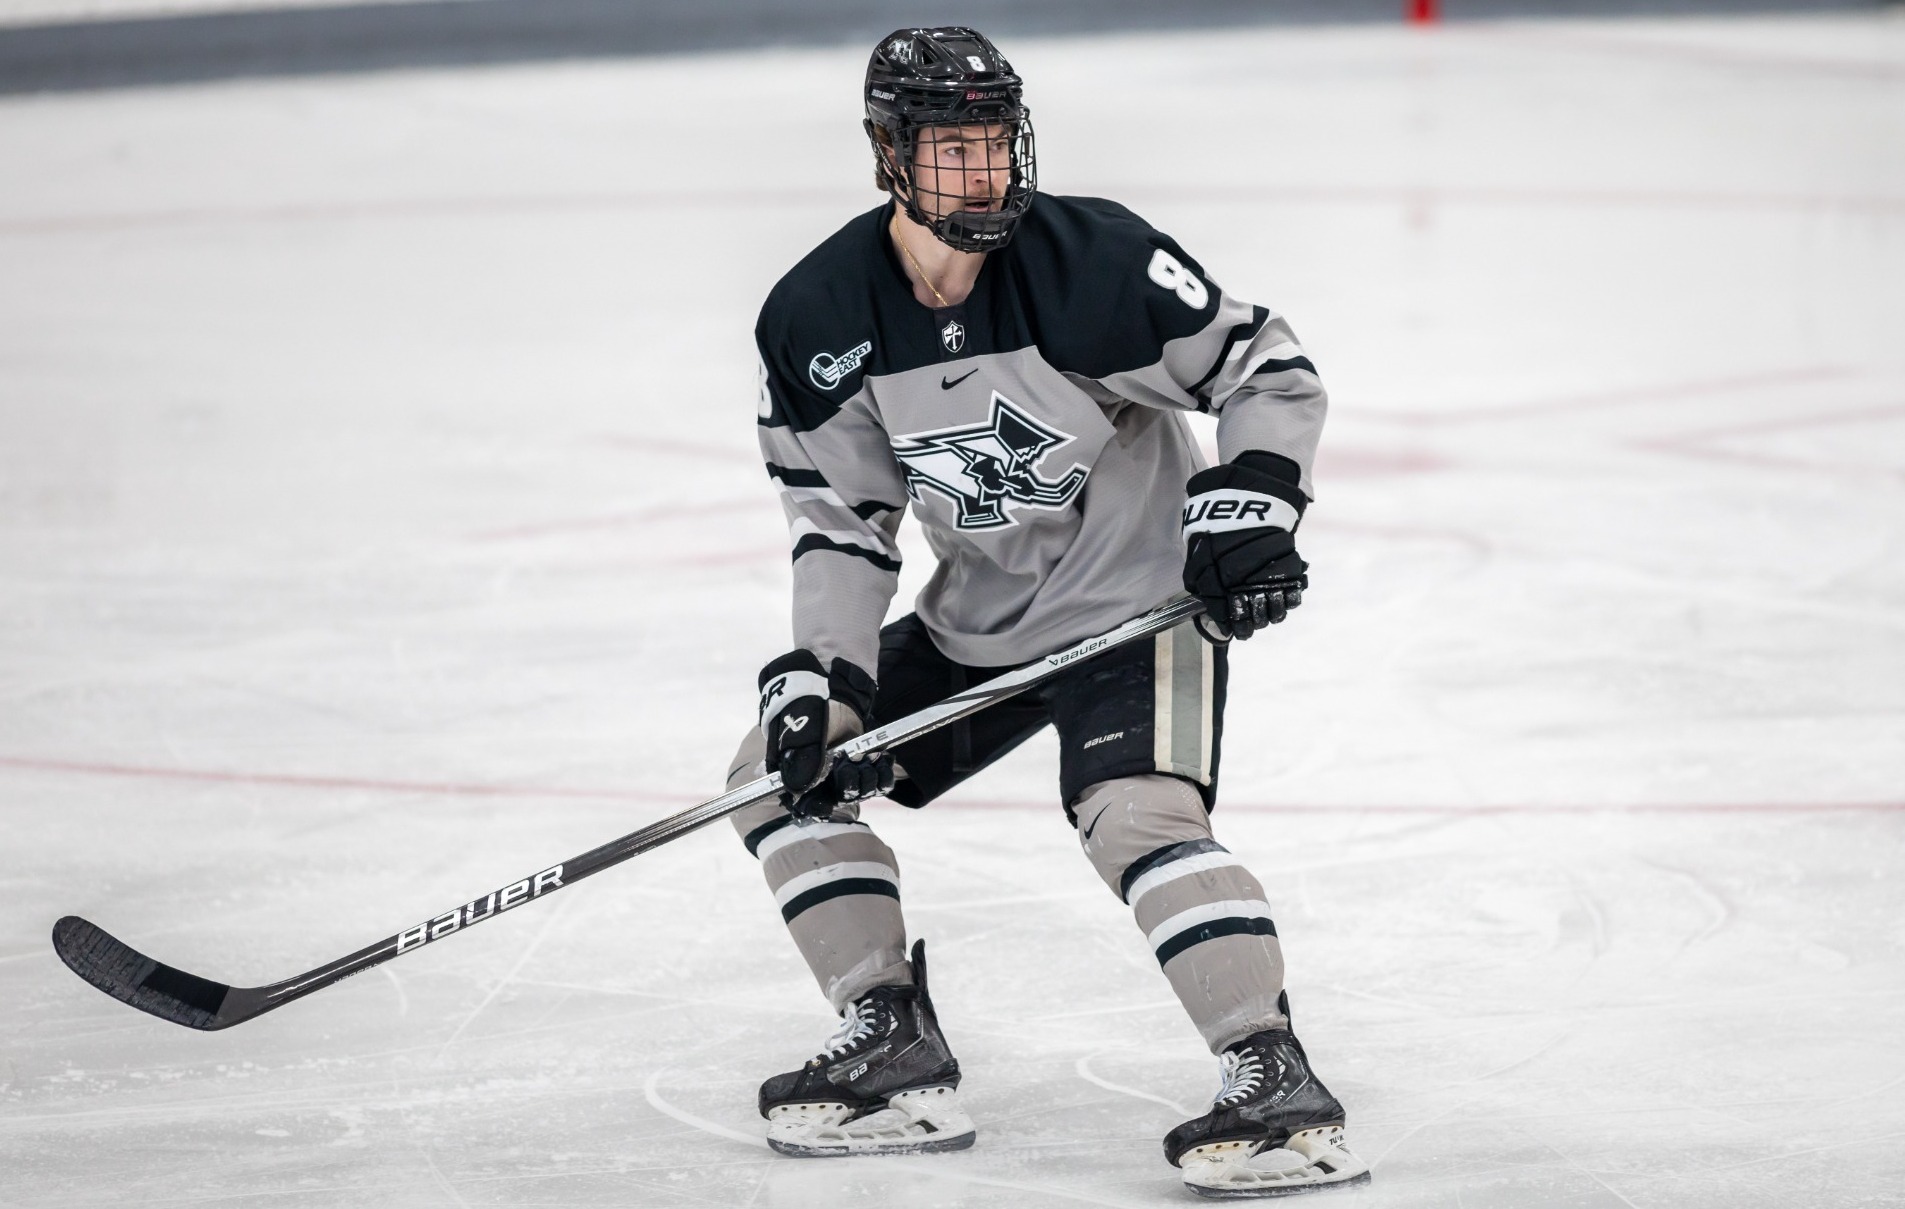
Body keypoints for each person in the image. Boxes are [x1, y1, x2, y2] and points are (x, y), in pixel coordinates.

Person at [723, 27, 1369, 1197]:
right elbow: (840, 525)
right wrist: (832, 678)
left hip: (1139, 607)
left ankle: (1269, 1074)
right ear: (888, 154)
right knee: (776, 777)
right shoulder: (817, 320)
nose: (986, 177)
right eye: (951, 151)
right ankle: (889, 1038)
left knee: (1134, 815)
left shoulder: (1094, 263)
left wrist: (1255, 499)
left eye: (996, 146)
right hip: (982, 625)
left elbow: (1264, 368)